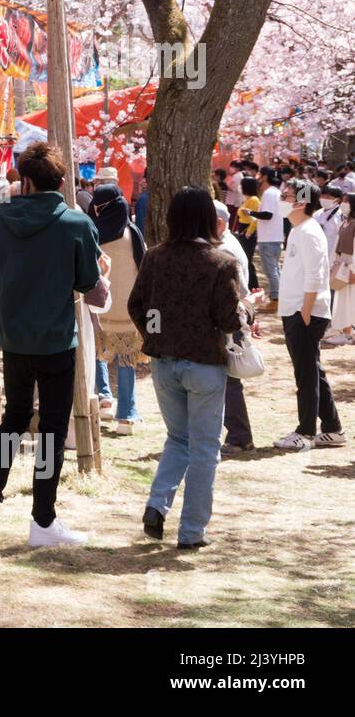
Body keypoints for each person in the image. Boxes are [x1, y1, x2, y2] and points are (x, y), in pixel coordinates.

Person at [0, 142, 101, 548]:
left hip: (14, 337)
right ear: (62, 183)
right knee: (50, 431)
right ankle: (42, 520)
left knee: (13, 419)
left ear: (24, 180)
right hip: (57, 339)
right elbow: (86, 283)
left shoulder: (0, 222)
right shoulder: (77, 224)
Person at [128, 187, 242, 550]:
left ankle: (156, 505)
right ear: (209, 217)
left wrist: (158, 332)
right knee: (205, 448)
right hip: (205, 365)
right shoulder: (221, 263)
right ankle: (192, 531)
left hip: (164, 363)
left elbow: (139, 305)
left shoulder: (155, 257)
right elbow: (227, 320)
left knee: (178, 439)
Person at [273, 179, 346, 450]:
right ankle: (332, 429)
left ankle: (305, 433)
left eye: (286, 195)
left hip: (304, 312)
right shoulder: (298, 229)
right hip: (296, 310)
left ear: (300, 201)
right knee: (312, 371)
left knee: (305, 375)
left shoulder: (308, 231)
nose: (281, 198)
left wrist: (305, 311)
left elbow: (316, 275)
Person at [87, 183, 146, 435]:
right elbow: (142, 267)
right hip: (127, 308)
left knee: (99, 351)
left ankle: (104, 398)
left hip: (99, 305)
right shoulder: (131, 233)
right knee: (126, 359)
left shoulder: (91, 233)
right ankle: (127, 416)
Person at [214, 201, 257, 454]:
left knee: (229, 380)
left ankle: (240, 437)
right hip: (231, 319)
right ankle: (238, 435)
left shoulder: (226, 249)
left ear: (219, 223)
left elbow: (239, 291)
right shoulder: (226, 243)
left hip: (229, 321)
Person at [252, 167, 285, 309]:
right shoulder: (276, 192)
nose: (257, 177)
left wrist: (250, 212)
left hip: (269, 238)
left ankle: (276, 299)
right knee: (275, 270)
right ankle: (279, 298)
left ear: (265, 177)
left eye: (260, 174)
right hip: (274, 236)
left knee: (271, 271)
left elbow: (267, 215)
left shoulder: (269, 193)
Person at [329, 193, 355, 345]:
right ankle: (345, 331)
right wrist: (334, 264)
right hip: (342, 266)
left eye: (347, 201)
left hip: (351, 267)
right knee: (342, 300)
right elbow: (336, 247)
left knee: (349, 301)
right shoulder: (345, 222)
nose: (343, 203)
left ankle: (347, 333)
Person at [235, 175, 261, 291]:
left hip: (247, 231)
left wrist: (249, 232)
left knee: (247, 259)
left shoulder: (254, 200)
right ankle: (250, 284)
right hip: (242, 229)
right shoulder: (247, 199)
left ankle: (253, 285)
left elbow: (255, 218)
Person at [317, 184, 344, 258]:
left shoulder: (341, 215)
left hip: (332, 254)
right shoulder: (317, 213)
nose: (324, 198)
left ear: (337, 200)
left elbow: (343, 238)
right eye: (322, 196)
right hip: (316, 251)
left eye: (328, 197)